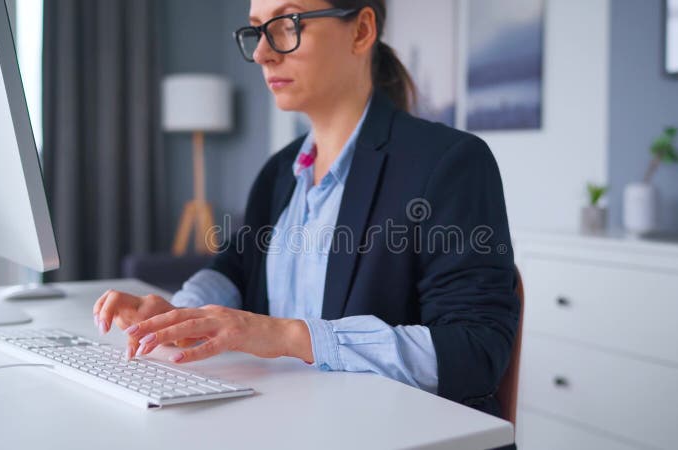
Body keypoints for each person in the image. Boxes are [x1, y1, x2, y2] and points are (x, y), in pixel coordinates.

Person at [93, 0, 520, 419]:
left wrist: (287, 335)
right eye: (257, 29)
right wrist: (181, 316)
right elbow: (234, 271)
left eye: (287, 23)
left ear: (361, 30)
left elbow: (475, 351)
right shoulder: (279, 171)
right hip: (283, 420)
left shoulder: (449, 162)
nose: (262, 52)